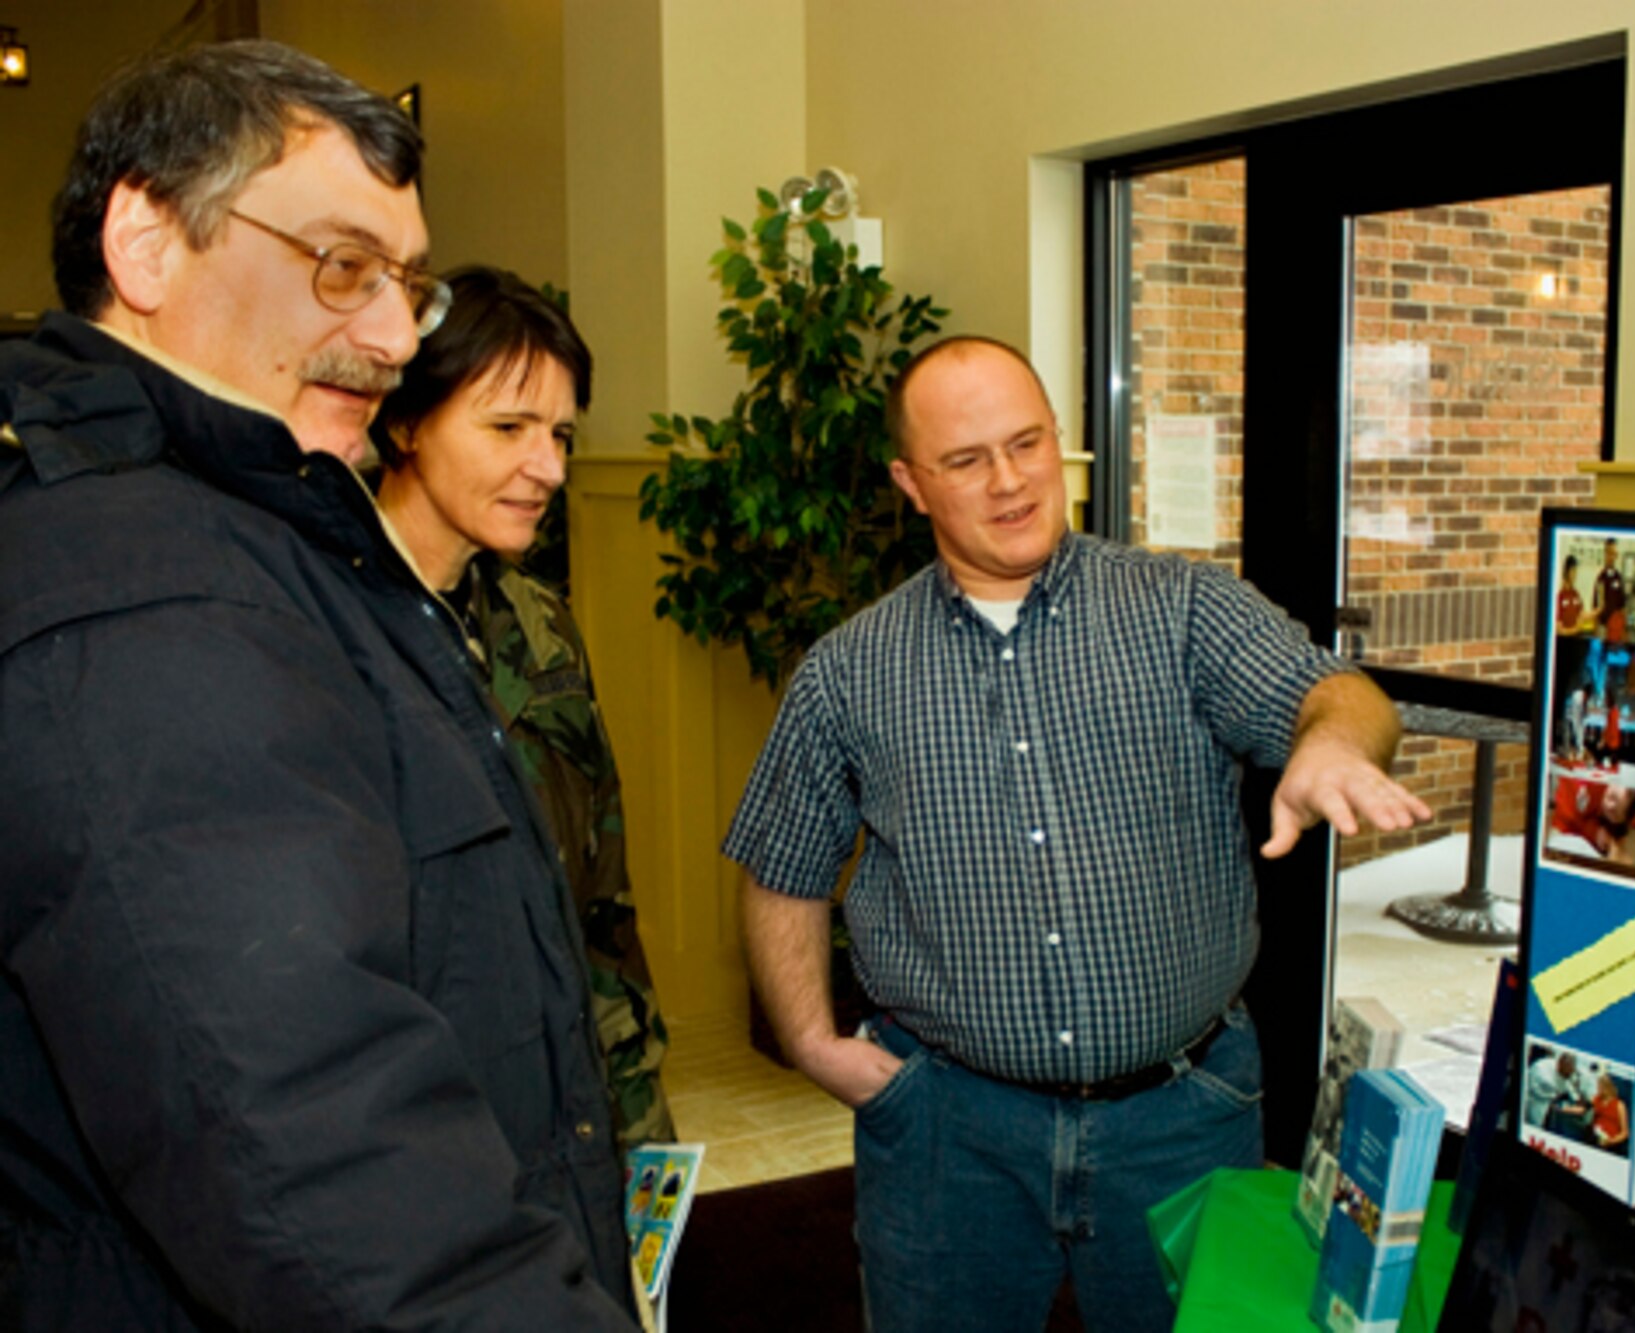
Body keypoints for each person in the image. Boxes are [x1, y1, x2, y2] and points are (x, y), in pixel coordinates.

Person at [0, 42, 636, 1330]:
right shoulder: (141, 578)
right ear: (147, 242)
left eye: (408, 285)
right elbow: (307, 1142)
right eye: (342, 268)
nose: (396, 336)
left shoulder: (274, 528)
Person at [723, 335, 1431, 1332]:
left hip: (1183, 1117)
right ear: (909, 483)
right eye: (966, 460)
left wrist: (1332, 745)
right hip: (947, 1132)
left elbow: (1337, 693)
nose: (1009, 482)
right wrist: (806, 1041)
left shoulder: (1179, 610)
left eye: (1027, 443)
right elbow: (780, 861)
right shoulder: (848, 672)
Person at [372, 265, 674, 1145]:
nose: (547, 468)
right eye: (508, 427)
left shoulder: (538, 622)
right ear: (402, 422)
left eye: (562, 435)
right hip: (426, 1135)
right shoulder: (325, 632)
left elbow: (601, 910)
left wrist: (640, 1130)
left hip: (566, 1116)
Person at [1522, 1051, 1587, 1130]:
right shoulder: (1541, 1070)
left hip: (1551, 1105)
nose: (1567, 1077)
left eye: (1570, 1073)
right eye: (1566, 1074)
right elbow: (1538, 1090)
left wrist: (1577, 1096)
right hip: (1534, 1101)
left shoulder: (1568, 1074)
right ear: (1559, 1064)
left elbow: (1570, 1086)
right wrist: (1556, 1097)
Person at [1592, 536, 1628, 643]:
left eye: (1613, 553)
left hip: (1616, 628)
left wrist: (1623, 630)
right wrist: (1596, 630)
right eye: (1608, 553)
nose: (1610, 556)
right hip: (1603, 628)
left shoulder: (1618, 577)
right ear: (1605, 554)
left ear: (1616, 555)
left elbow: (1622, 606)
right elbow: (1596, 607)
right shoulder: (1601, 578)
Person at [1589, 1071, 1629, 1150]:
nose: (1598, 1088)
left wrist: (1611, 1141)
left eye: (1601, 1086)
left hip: (1611, 1141)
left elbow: (1625, 1133)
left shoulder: (1619, 1105)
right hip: (1595, 1136)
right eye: (1598, 1086)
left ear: (1608, 1087)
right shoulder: (1595, 1099)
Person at [1557, 552, 1583, 632]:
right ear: (1566, 571)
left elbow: (1581, 616)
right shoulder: (1560, 596)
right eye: (1573, 571)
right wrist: (1573, 630)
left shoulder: (1576, 594)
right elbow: (1559, 628)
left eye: (1576, 571)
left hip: (1576, 639)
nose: (1575, 574)